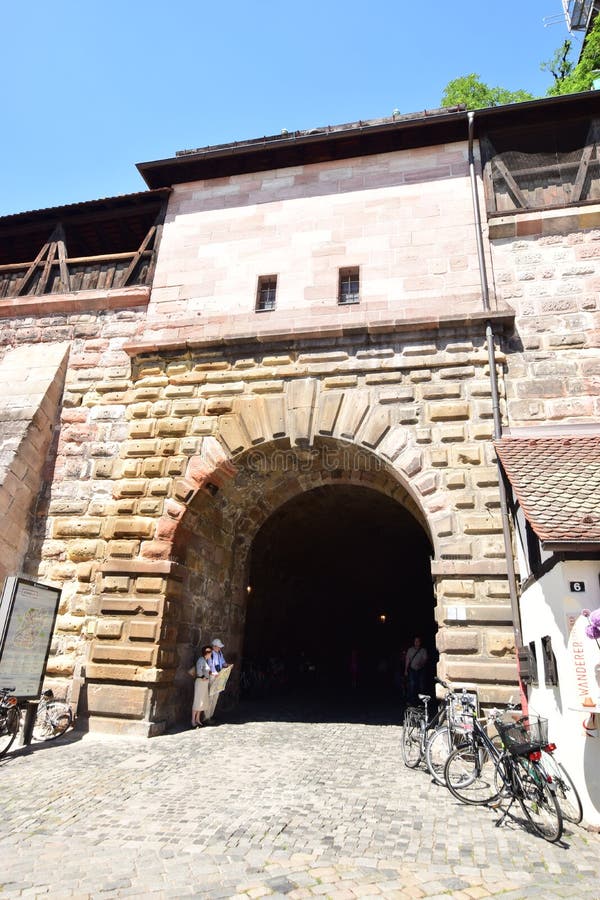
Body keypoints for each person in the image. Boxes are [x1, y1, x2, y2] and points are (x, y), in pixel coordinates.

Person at [191, 645, 212, 728]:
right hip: (200, 683)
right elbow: (199, 671)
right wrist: (203, 677)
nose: (211, 654)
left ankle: (198, 719)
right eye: (210, 653)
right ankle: (193, 720)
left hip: (204, 683)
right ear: (207, 653)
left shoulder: (205, 660)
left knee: (202, 701)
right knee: (197, 701)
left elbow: (205, 670)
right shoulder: (201, 660)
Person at [405, 636, 428, 704]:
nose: (416, 642)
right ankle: (411, 701)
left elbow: (425, 659)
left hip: (421, 670)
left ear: (420, 642)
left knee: (421, 686)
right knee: (412, 685)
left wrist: (421, 663)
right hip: (412, 670)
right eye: (415, 641)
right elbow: (407, 660)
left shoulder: (423, 650)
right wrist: (405, 670)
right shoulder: (410, 650)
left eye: (418, 641)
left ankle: (422, 702)